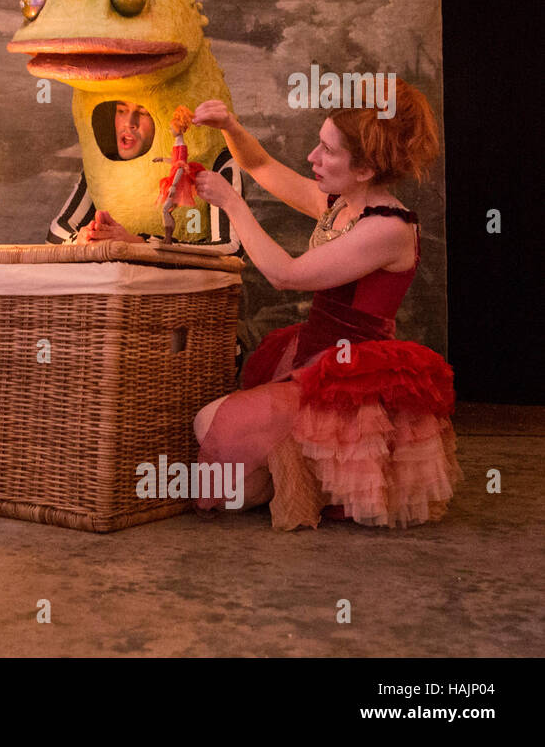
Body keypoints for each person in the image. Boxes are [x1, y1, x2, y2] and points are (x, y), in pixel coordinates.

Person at [188, 83, 461, 529]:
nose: (312, 157)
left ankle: (315, 474)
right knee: (224, 463)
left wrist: (232, 205)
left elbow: (285, 275)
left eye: (327, 150)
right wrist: (230, 127)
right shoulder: (341, 205)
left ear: (367, 168)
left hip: (351, 379)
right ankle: (300, 468)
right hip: (312, 357)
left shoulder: (387, 229)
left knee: (210, 429)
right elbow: (259, 164)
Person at [47, 100, 242, 250]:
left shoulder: (217, 160)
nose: (129, 123)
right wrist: (85, 238)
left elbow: (229, 250)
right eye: (121, 111)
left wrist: (138, 243)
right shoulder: (101, 166)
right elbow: (56, 234)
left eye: (143, 112)